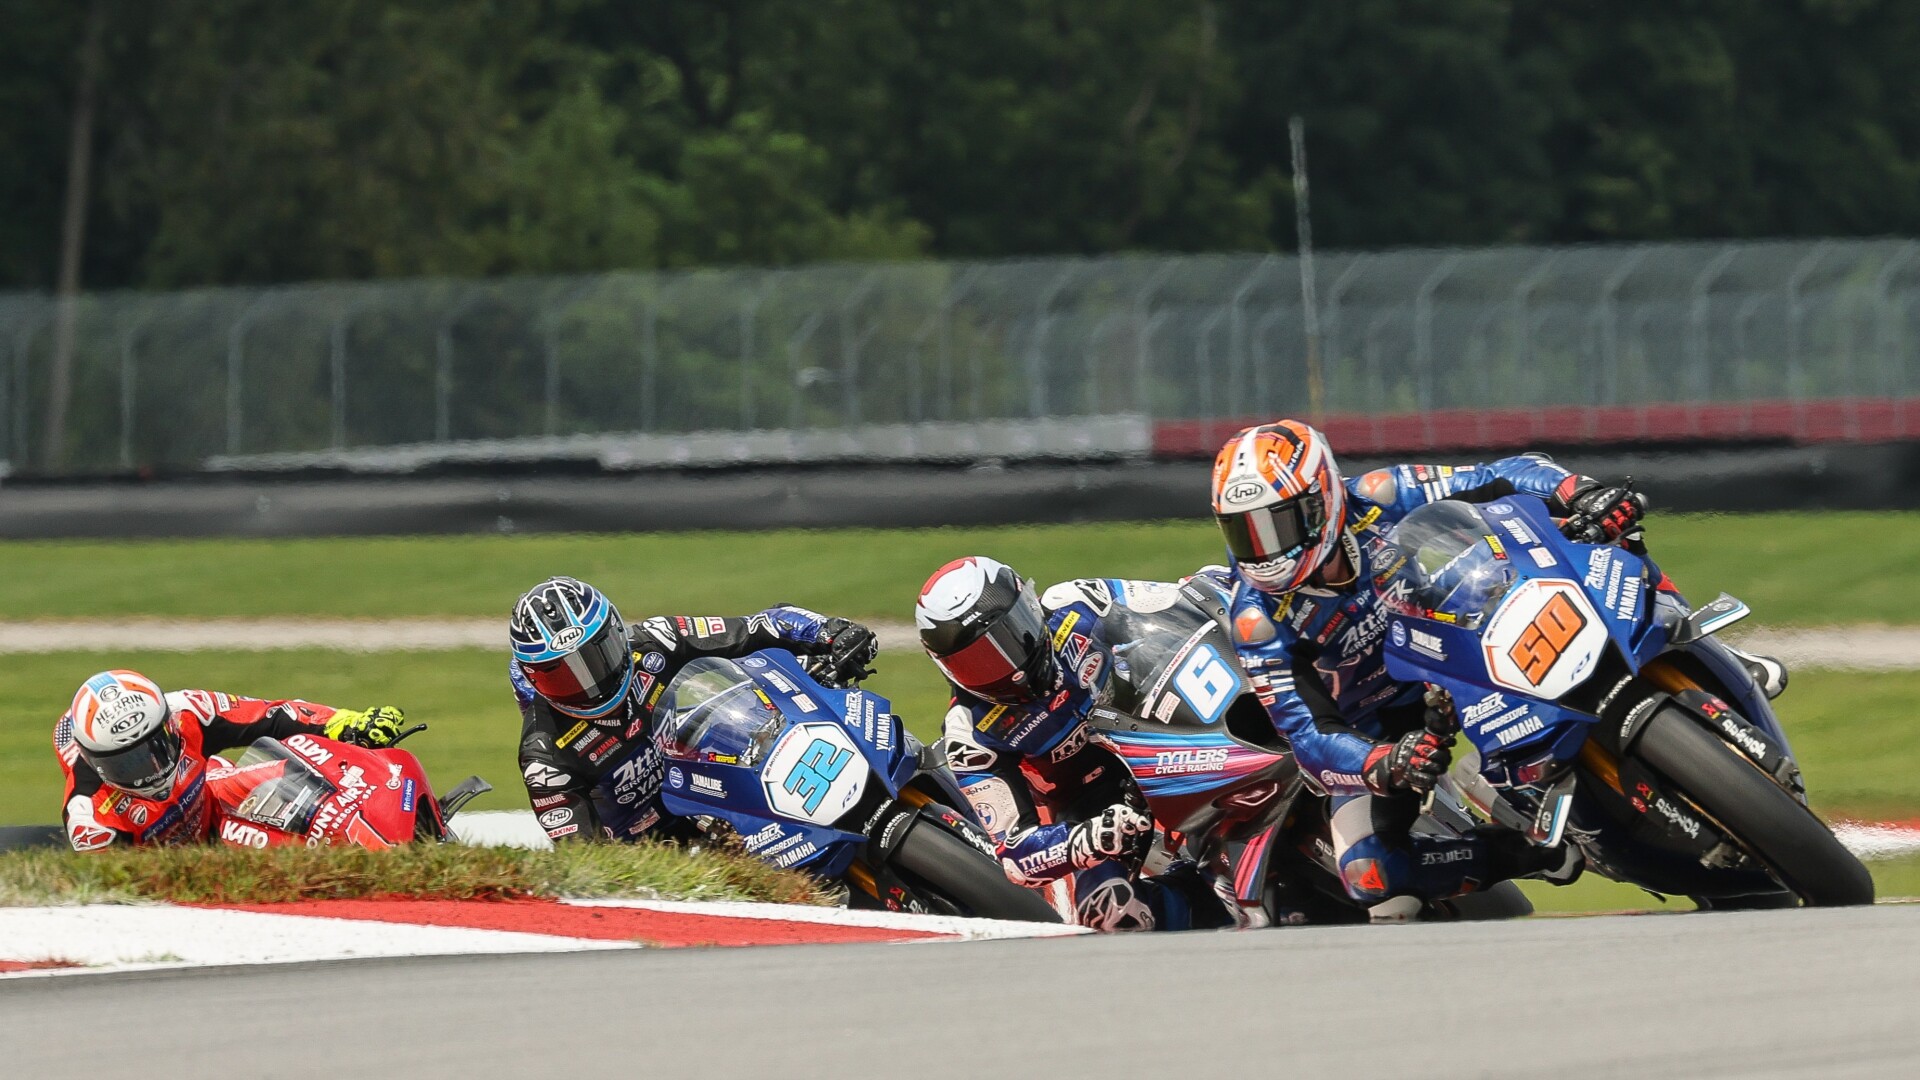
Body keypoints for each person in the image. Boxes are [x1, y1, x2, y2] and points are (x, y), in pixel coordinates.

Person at [1206, 420, 1789, 918]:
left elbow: (1500, 474)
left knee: (1606, 535)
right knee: (1369, 874)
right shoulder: (1257, 620)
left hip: (1462, 644)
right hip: (1387, 722)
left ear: (1322, 500)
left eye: (1276, 525)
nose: (1262, 549)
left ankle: (1692, 641)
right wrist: (1383, 762)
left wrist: (1579, 492)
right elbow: (1309, 737)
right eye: (1243, 531)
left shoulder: (1381, 494)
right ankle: (1534, 851)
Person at [918, 556, 1227, 931]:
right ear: (946, 668)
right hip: (1097, 801)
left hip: (1166, 726)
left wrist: (1216, 589)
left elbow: (1175, 602)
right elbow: (1016, 856)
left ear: (1030, 608)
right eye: (979, 661)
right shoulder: (969, 732)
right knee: (1109, 913)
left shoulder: (1076, 601)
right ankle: (1211, 902)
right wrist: (1086, 839)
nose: (1010, 669)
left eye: (1011, 636)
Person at [508, 576, 880, 844]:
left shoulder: (657, 639)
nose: (590, 681)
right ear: (533, 679)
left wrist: (827, 630)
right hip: (657, 852)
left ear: (617, 632)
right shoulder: (545, 757)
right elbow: (583, 860)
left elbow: (755, 627)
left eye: (595, 656)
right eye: (563, 675)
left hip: (722, 792)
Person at [54, 668, 406, 851]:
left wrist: (346, 722)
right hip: (174, 874)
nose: (150, 771)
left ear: (168, 724)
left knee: (294, 767)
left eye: (156, 748)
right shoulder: (90, 821)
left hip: (214, 797)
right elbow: (123, 898)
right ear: (96, 763)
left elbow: (273, 715)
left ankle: (384, 822)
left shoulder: (189, 710)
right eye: (126, 764)